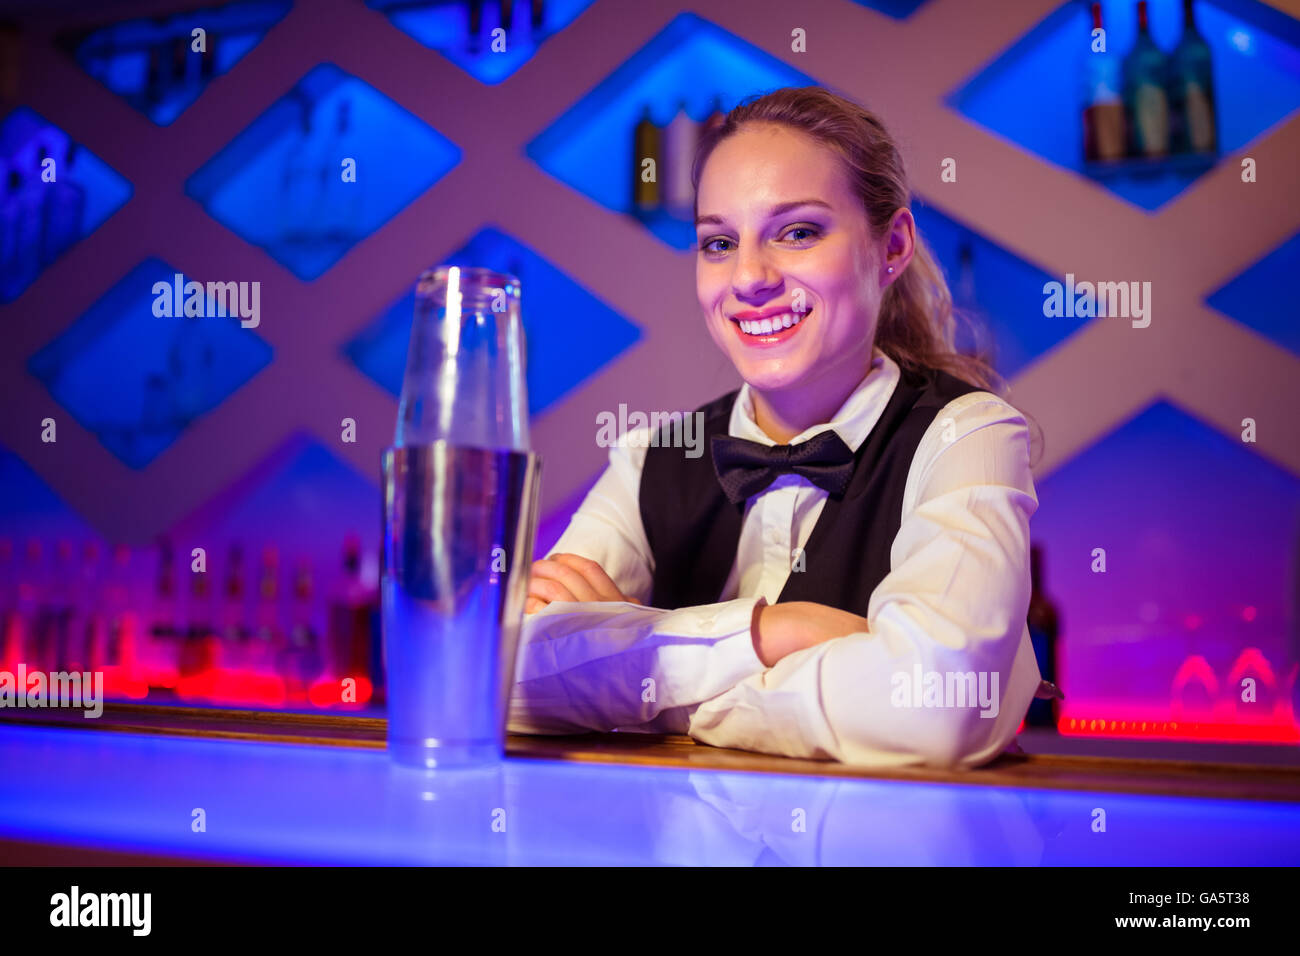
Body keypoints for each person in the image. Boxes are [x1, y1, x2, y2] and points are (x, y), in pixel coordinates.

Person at [509, 86, 1050, 769]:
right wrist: (769, 632)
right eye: (719, 242)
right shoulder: (653, 457)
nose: (749, 278)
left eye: (797, 232)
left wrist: (633, 665)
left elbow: (935, 704)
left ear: (892, 246)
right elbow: (495, 674)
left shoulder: (966, 436)